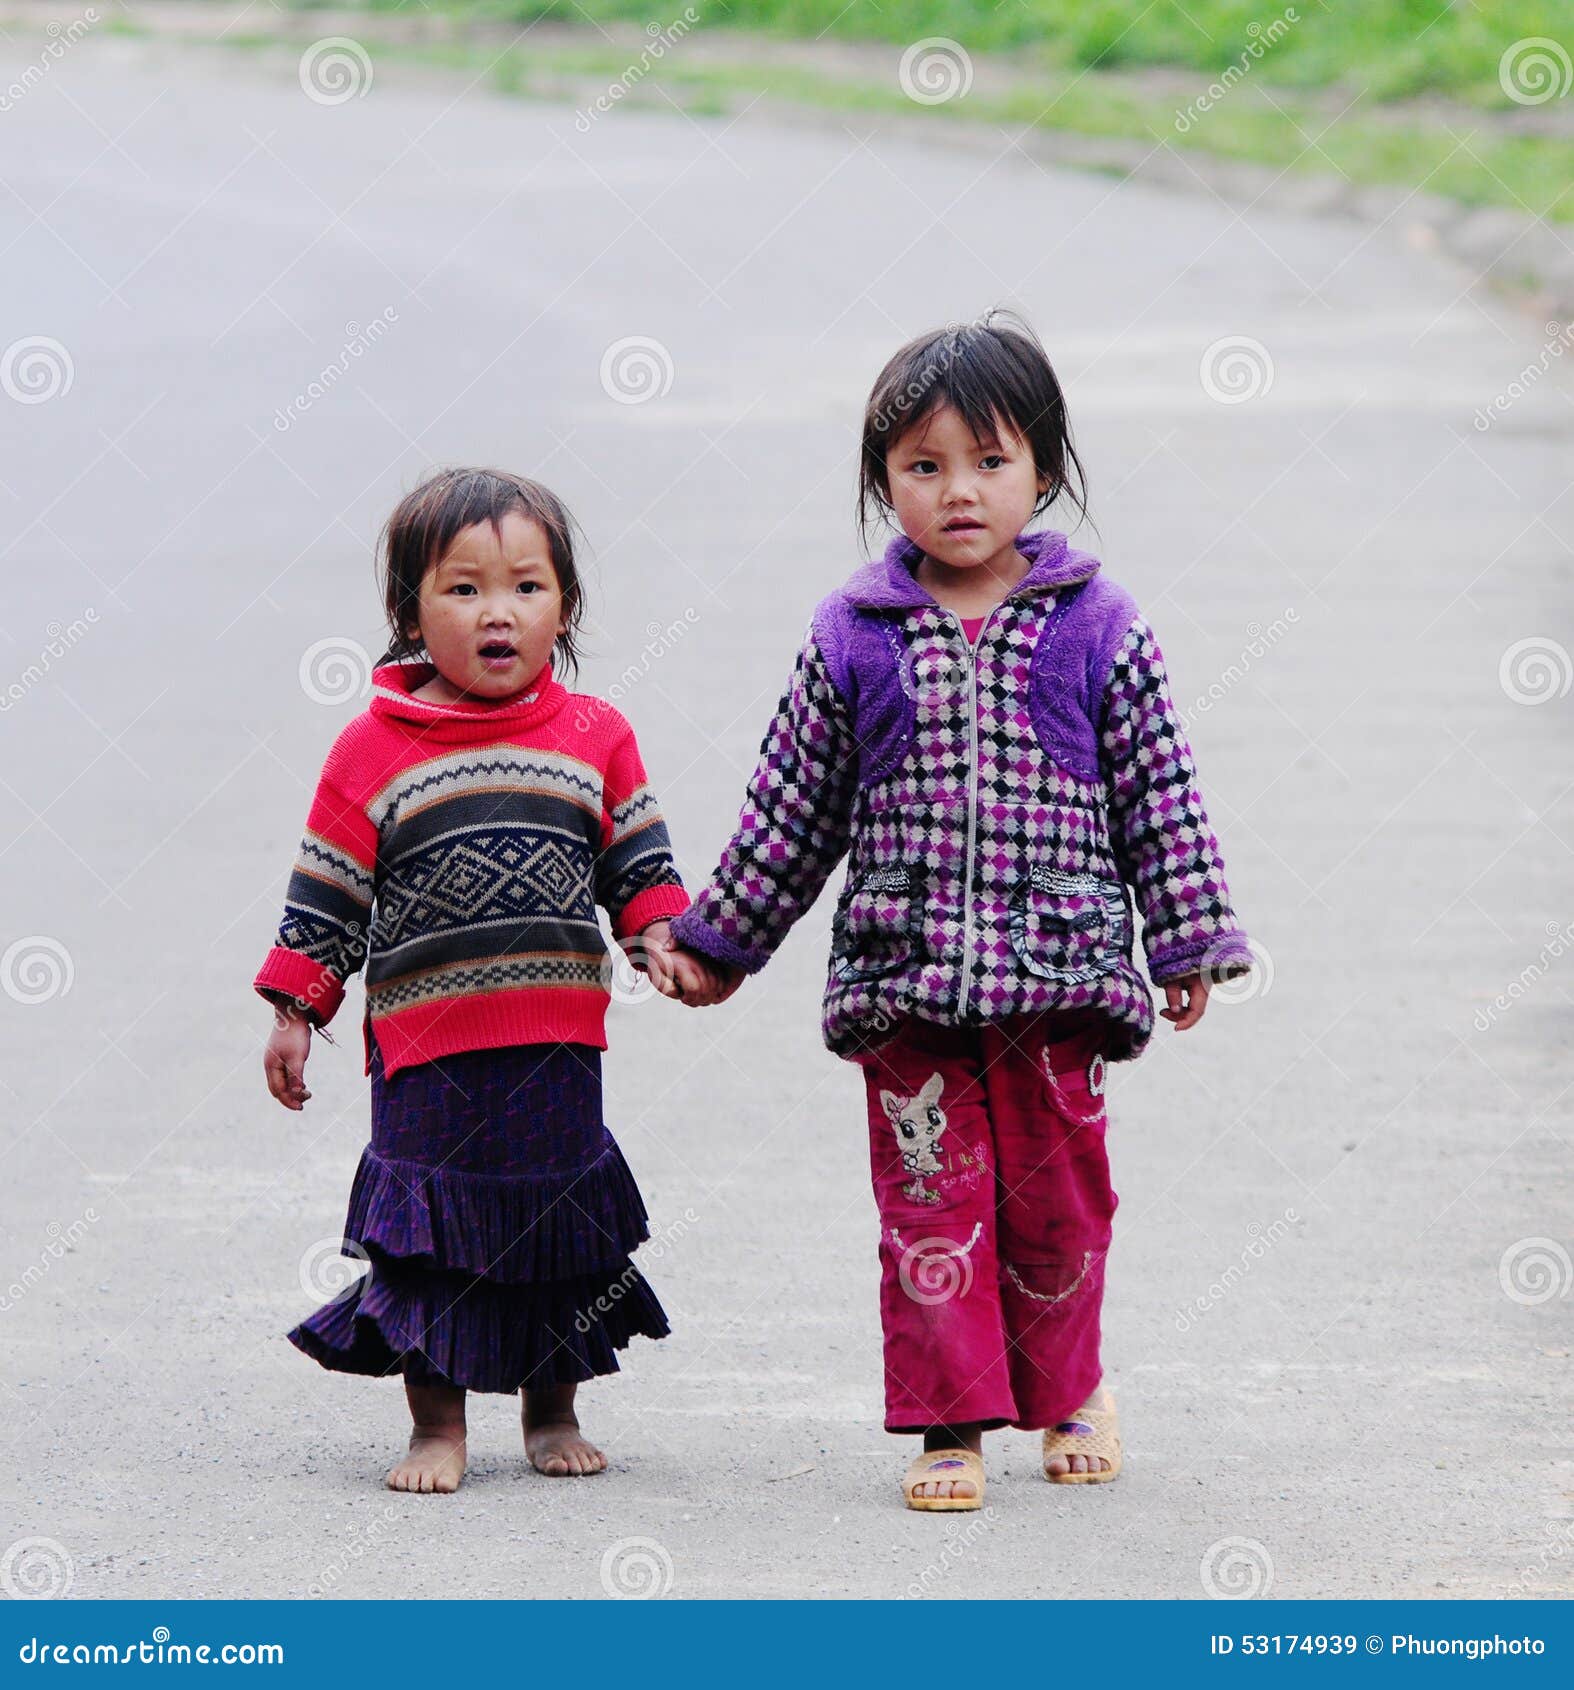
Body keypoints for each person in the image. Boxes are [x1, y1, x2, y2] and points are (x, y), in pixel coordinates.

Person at [664, 312, 1254, 1511]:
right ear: (883, 482)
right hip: (905, 988)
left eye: (988, 462)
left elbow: (1160, 792)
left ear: (1044, 467)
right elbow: (791, 807)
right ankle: (950, 1419)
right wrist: (719, 942)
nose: (958, 491)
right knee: (928, 1208)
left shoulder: (1097, 625)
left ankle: (1070, 1388)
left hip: (1061, 980)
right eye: (921, 467)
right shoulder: (854, 635)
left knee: (1058, 1198)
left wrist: (1185, 935)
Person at [255, 467, 724, 1494]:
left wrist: (658, 938)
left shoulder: (594, 735)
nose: (495, 611)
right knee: (430, 1236)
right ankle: (436, 1424)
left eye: (525, 586)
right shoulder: (371, 748)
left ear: (564, 606)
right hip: (426, 1048)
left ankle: (551, 1407)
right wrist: (299, 1005)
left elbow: (638, 866)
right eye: (462, 588)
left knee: (555, 1223)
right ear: (411, 612)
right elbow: (327, 890)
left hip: (558, 1036)